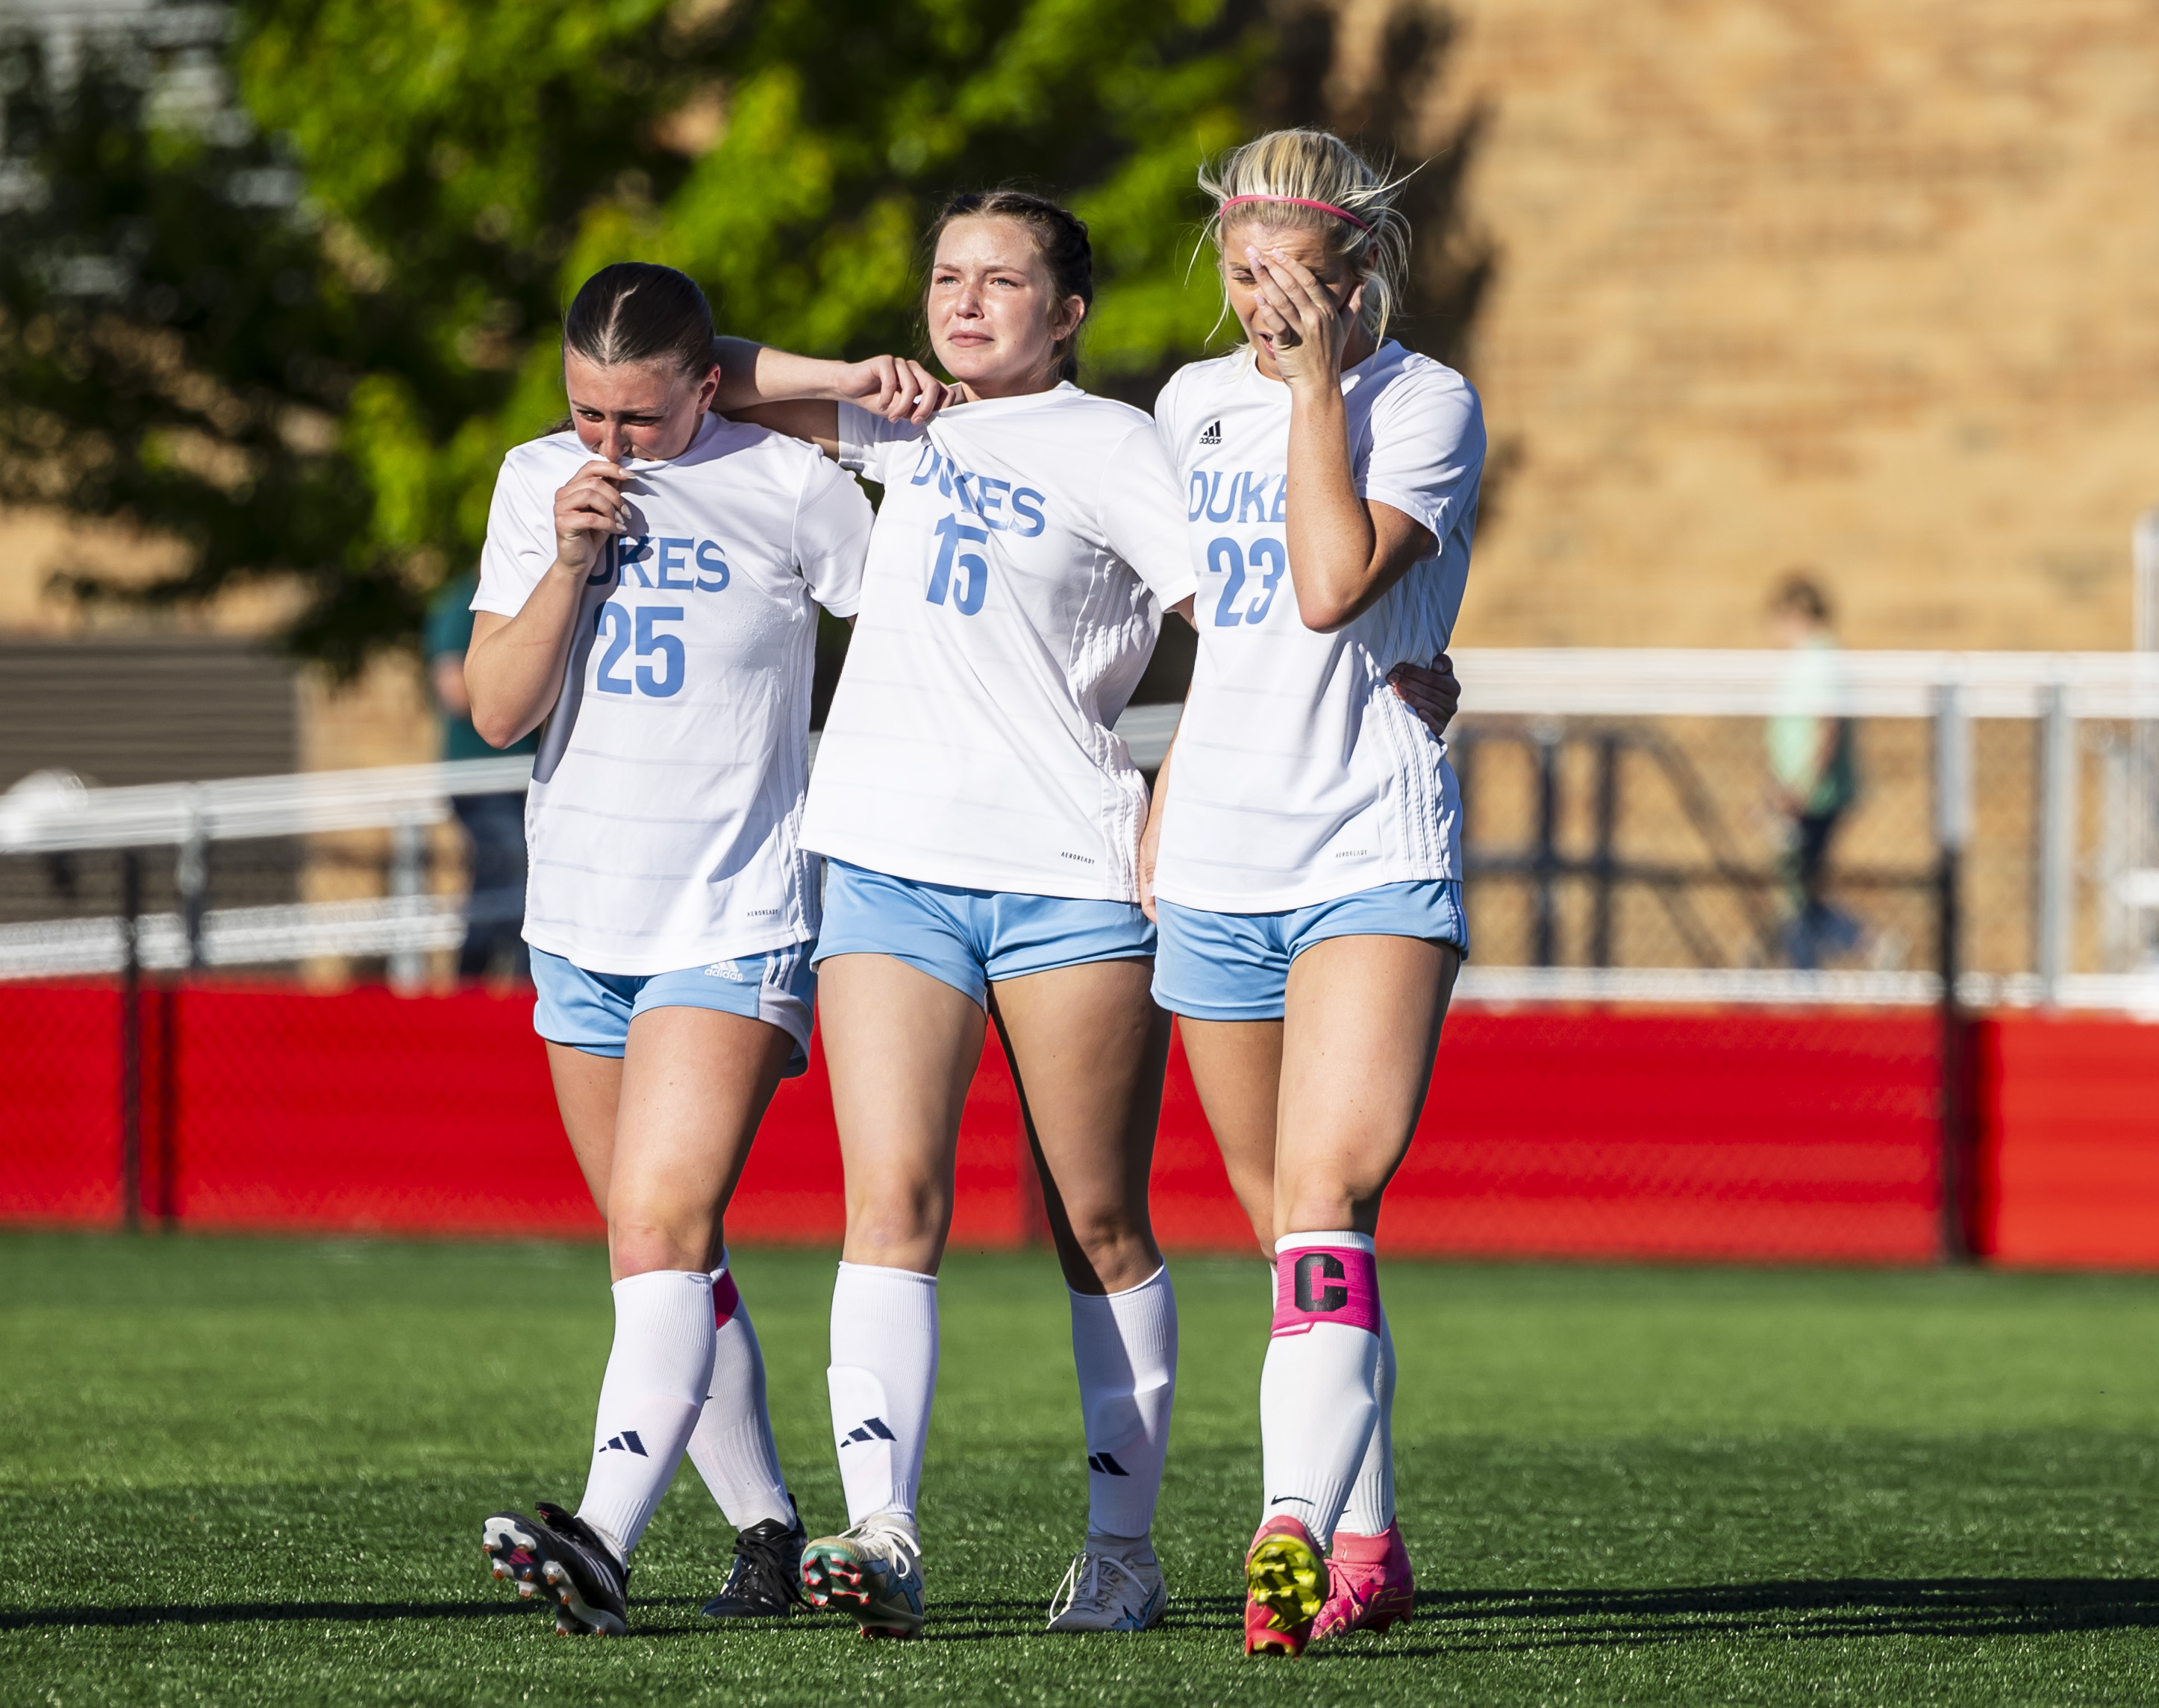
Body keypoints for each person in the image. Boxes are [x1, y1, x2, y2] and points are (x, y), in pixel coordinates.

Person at [705, 189, 1465, 1641]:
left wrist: (1411, 668)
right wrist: (842, 378)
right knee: (891, 1201)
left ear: (1069, 313)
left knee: (1100, 1221)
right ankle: (886, 1534)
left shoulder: (1131, 443)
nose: (965, 300)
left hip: (1073, 873)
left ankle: (1124, 1552)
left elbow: (1261, 603)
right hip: (885, 863)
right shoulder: (894, 421)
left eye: (1003, 280)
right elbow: (698, 369)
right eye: (945, 276)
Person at [472, 263, 875, 1636]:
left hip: (735, 911)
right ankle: (767, 1528)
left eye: (638, 418)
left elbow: (929, 630)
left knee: (659, 1222)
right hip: (581, 920)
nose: (608, 443)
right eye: (586, 410)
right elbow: (494, 707)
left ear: (709, 383)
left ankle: (598, 1537)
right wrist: (571, 555)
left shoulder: (791, 484)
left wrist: (821, 384)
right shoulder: (536, 481)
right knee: (665, 1259)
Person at [1139, 128, 1486, 1658]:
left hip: (1368, 845)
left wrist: (1314, 393)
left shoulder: (1425, 400)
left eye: (1281, 256)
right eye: (1235, 251)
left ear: (1355, 264)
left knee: (1329, 1198)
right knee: (1291, 1231)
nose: (1251, 281)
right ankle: (1366, 1536)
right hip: (1217, 850)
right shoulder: (1186, 403)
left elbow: (1334, 581)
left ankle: (1284, 1529)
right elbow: (1226, 628)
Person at [421, 570, 535, 981]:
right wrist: (518, 689)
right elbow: (454, 689)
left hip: (522, 779)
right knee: (514, 870)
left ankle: (478, 986)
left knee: (498, 880)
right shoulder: (463, 600)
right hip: (478, 779)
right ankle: (493, 984)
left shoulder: (537, 592)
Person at [1765, 574, 1862, 968]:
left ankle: (1857, 943)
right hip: (1799, 790)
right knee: (1797, 890)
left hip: (1812, 796)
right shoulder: (1808, 661)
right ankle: (1818, 965)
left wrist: (1802, 787)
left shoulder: (1819, 661)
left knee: (1798, 893)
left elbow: (1826, 726)